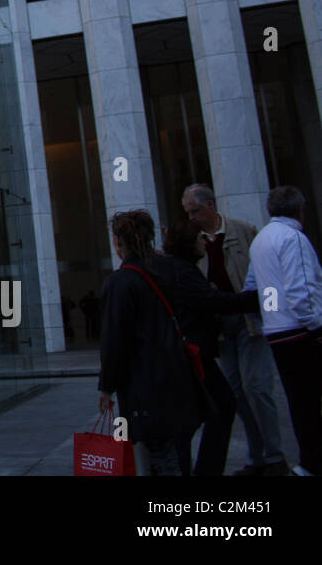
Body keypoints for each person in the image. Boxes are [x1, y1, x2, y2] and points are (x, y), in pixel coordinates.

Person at [182, 183, 290, 476]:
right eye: (187, 212)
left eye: (194, 211)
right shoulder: (194, 242)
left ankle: (275, 456)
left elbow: (266, 272)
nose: (191, 217)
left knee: (257, 386)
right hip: (219, 327)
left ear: (210, 206)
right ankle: (257, 457)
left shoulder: (243, 231)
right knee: (235, 393)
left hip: (249, 320)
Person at [99, 210, 204, 475]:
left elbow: (115, 340)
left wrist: (106, 387)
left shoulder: (122, 282)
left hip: (145, 381)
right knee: (175, 448)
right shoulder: (168, 270)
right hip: (178, 373)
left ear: (118, 242)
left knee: (160, 453)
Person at [162, 220, 259, 475]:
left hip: (192, 351)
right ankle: (203, 470)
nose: (205, 242)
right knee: (220, 406)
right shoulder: (183, 270)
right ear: (189, 242)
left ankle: (200, 469)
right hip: (193, 353)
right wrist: (251, 299)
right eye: (200, 238)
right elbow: (209, 301)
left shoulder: (180, 269)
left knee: (212, 408)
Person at [244, 185, 322, 476]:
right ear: (299, 210)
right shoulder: (293, 238)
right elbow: (301, 289)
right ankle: (312, 461)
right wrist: (316, 326)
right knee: (311, 401)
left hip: (278, 332)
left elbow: (251, 288)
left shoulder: (260, 240)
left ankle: (309, 462)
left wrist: (266, 317)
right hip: (300, 331)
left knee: (299, 402)